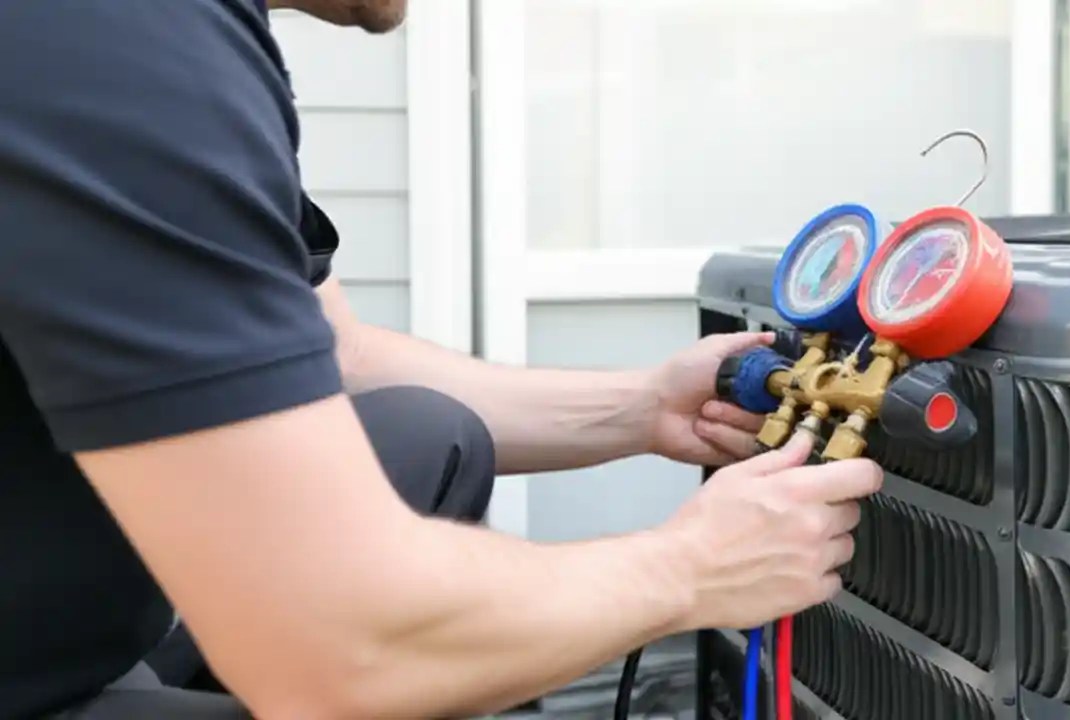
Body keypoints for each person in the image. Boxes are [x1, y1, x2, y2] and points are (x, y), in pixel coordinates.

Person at [0, 1, 883, 718]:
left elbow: (332, 351)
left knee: (425, 436)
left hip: (65, 646)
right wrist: (692, 569)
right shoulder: (112, 40)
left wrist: (643, 407)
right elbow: (340, 644)